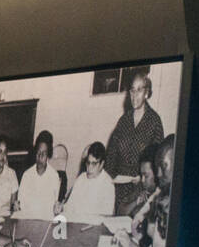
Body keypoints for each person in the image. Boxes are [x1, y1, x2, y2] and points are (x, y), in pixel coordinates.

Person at [107, 70, 164, 213]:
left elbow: (157, 160)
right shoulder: (123, 121)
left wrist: (143, 178)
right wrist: (108, 181)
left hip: (141, 189)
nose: (134, 95)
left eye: (139, 90)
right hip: (118, 187)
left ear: (146, 93)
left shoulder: (154, 121)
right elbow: (111, 155)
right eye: (132, 90)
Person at [63, 142, 117, 219]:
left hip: (93, 227)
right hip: (75, 224)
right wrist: (61, 208)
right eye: (88, 163)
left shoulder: (108, 184)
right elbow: (69, 207)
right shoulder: (82, 178)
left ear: (102, 164)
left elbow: (106, 216)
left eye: (94, 164)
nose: (89, 168)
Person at [14, 131, 61, 219]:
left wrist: (58, 209)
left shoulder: (54, 176)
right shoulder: (27, 175)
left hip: (45, 222)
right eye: (38, 152)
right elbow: (20, 205)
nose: (40, 157)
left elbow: (55, 208)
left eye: (44, 153)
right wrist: (17, 206)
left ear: (48, 155)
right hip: (27, 221)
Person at [117, 143, 160, 218]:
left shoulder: (163, 195)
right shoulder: (142, 188)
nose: (142, 180)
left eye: (146, 176)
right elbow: (120, 211)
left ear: (157, 173)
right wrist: (137, 201)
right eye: (141, 175)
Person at [0, 136, 18, 215]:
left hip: (5, 216)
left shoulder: (12, 173)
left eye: (5, 152)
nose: (3, 156)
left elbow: (13, 204)